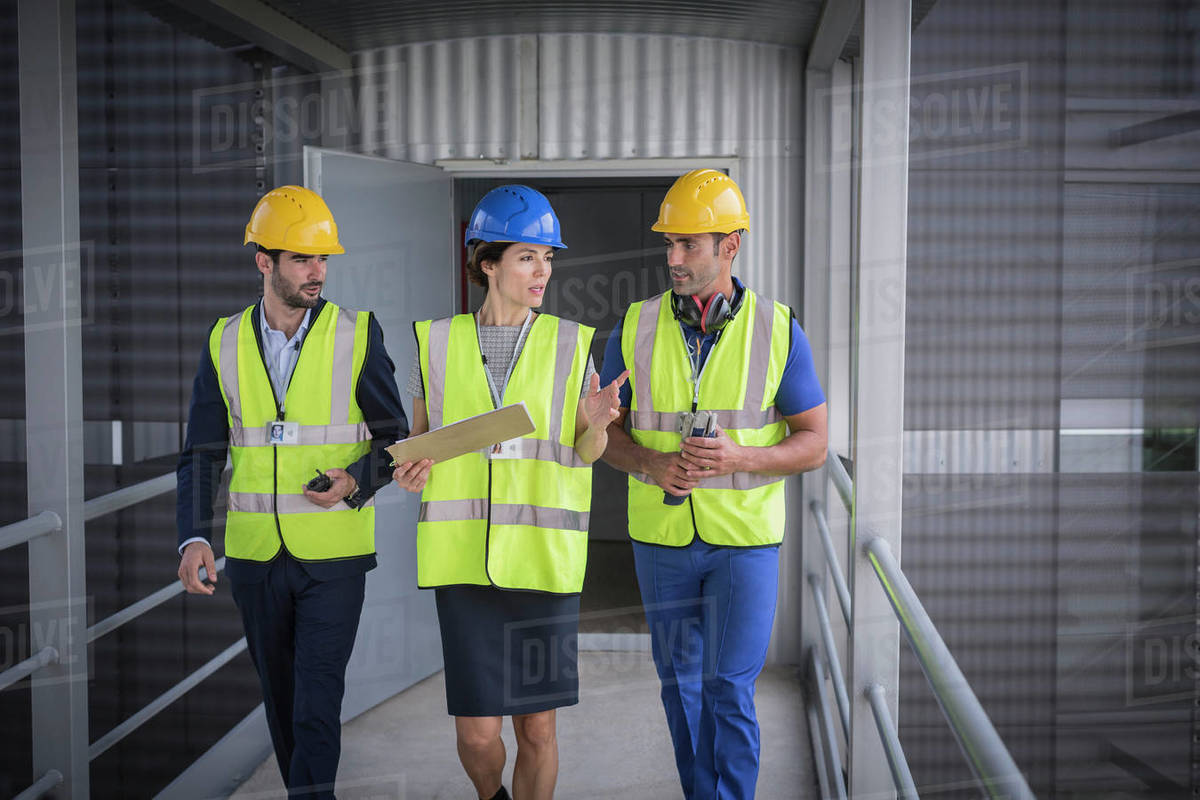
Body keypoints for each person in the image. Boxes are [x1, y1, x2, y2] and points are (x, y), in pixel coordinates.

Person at [598, 169, 827, 799]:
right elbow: (599, 432)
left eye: (688, 245)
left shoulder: (779, 329)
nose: (672, 259)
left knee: (729, 687)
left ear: (730, 246)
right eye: (668, 244)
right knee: (681, 687)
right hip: (662, 539)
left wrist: (739, 456)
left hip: (744, 544)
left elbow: (814, 443)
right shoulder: (634, 325)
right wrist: (647, 463)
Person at [392, 185, 625, 800]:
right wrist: (411, 469)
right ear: (487, 262)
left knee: (539, 730)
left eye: (549, 258)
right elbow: (419, 443)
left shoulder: (573, 343)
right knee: (475, 735)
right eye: (528, 257)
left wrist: (598, 426)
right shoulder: (436, 342)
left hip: (542, 563)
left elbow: (584, 454)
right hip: (463, 563)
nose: (543, 271)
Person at [175, 185, 407, 800]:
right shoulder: (223, 341)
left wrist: (356, 479)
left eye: (323, 259)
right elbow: (201, 450)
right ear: (264, 262)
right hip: (254, 559)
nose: (317, 272)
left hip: (333, 557)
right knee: (282, 705)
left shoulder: (358, 334)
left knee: (315, 703)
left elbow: (393, 437)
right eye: (302, 259)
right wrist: (194, 535)